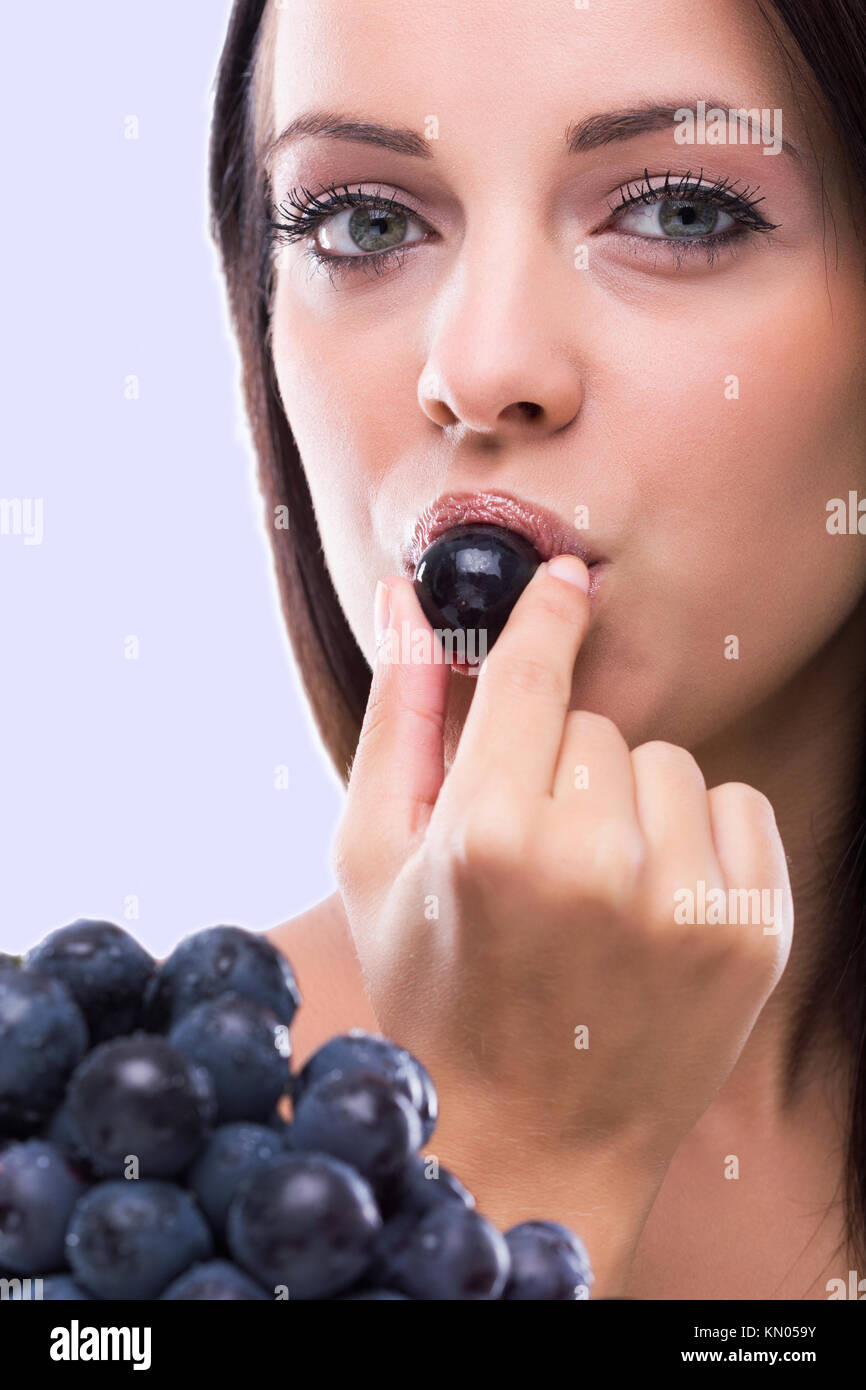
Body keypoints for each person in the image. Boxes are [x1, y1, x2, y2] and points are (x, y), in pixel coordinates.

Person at [209, 0, 866, 1298]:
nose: (481, 367)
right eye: (365, 221)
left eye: (682, 212)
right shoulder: (106, 1144)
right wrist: (511, 1164)